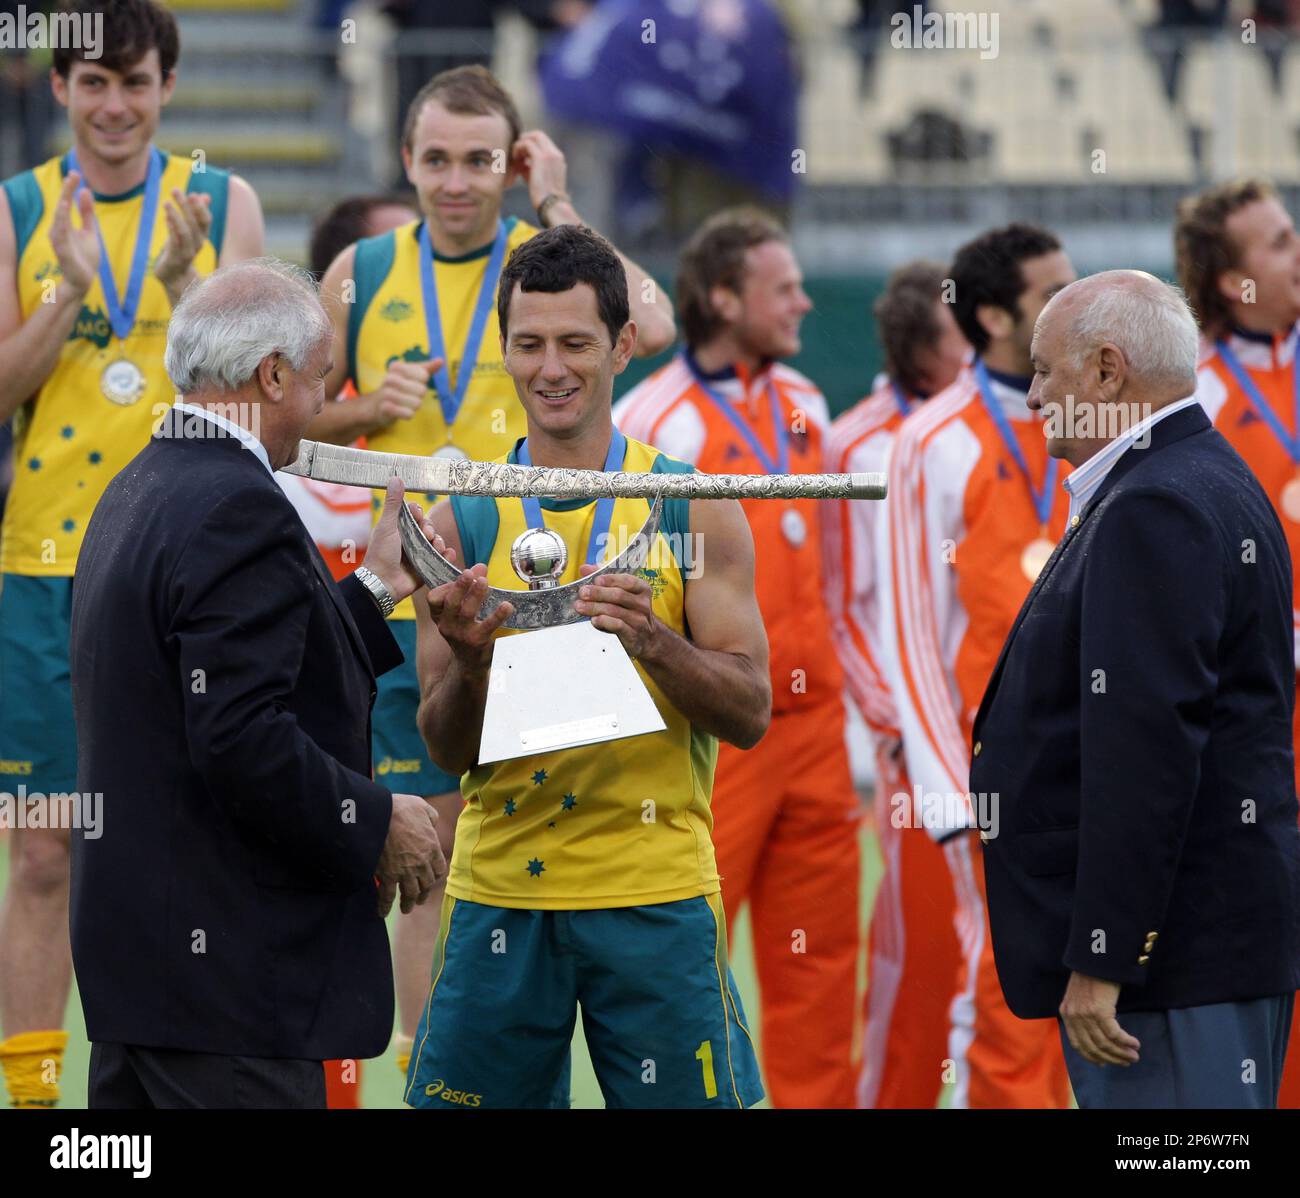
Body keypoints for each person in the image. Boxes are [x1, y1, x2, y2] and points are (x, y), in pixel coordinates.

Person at [308, 64, 675, 1083]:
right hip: (391, 597)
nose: (456, 182)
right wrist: (360, 408)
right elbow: (285, 411)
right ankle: (374, 1078)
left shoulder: (545, 259)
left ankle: (446, 1067)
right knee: (379, 859)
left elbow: (656, 318)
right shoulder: (362, 269)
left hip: (527, 593)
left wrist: (555, 196)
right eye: (435, 159)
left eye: (480, 160)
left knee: (467, 846)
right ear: (405, 161)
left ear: (510, 165)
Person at [68, 258, 448, 1109]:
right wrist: (376, 820)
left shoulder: (139, 487)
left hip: (143, 979)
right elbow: (240, 736)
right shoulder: (236, 505)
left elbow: (220, 681)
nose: (321, 406)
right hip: (228, 994)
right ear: (271, 374)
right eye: (317, 382)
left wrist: (379, 587)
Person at [405, 223, 768, 1109]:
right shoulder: (458, 520)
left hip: (654, 893)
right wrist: (474, 661)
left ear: (622, 344)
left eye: (574, 342)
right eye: (528, 345)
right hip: (501, 897)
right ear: (504, 351)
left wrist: (655, 643)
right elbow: (446, 748)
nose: (551, 368)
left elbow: (752, 708)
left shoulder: (693, 505)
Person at [0, 0, 264, 1109]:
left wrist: (171, 292)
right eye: (93, 82)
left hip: (187, 559)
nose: (116, 106)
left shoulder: (222, 203)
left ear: (167, 90)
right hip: (46, 569)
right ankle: (36, 1102)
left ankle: (181, 1081)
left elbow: (252, 387)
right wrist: (63, 284)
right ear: (58, 88)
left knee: (186, 847)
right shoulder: (15, 207)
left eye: (137, 83)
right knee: (44, 852)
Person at [974, 269, 1300, 1108]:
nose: (1032, 392)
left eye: (1045, 370)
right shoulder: (1200, 476)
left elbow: (1146, 755)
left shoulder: (1156, 503)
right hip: (1200, 948)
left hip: (1172, 966)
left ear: (1108, 371)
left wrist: (1104, 955)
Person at [615, 209, 858, 1108]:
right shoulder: (654, 417)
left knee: (825, 964)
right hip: (714, 728)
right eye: (781, 286)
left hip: (819, 726)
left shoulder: (805, 400)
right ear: (722, 298)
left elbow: (835, 560)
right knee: (688, 957)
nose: (801, 301)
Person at [876, 223, 1076, 1108]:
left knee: (1116, 992)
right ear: (994, 316)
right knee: (1003, 994)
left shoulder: (1103, 416)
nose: (1076, 304)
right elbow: (914, 632)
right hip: (991, 769)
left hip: (1103, 756)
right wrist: (950, 795)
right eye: (1051, 295)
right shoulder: (931, 437)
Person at [823, 260, 967, 1109]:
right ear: (921, 344)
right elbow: (845, 605)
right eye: (961, 332)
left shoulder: (1004, 425)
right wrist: (904, 724)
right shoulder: (855, 442)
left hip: (1003, 730)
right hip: (915, 747)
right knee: (914, 951)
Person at [1175, 178, 1300, 1107]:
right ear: (1231, 283)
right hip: (1255, 707)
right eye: (1281, 245)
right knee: (1267, 925)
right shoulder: (1196, 398)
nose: (1299, 257)